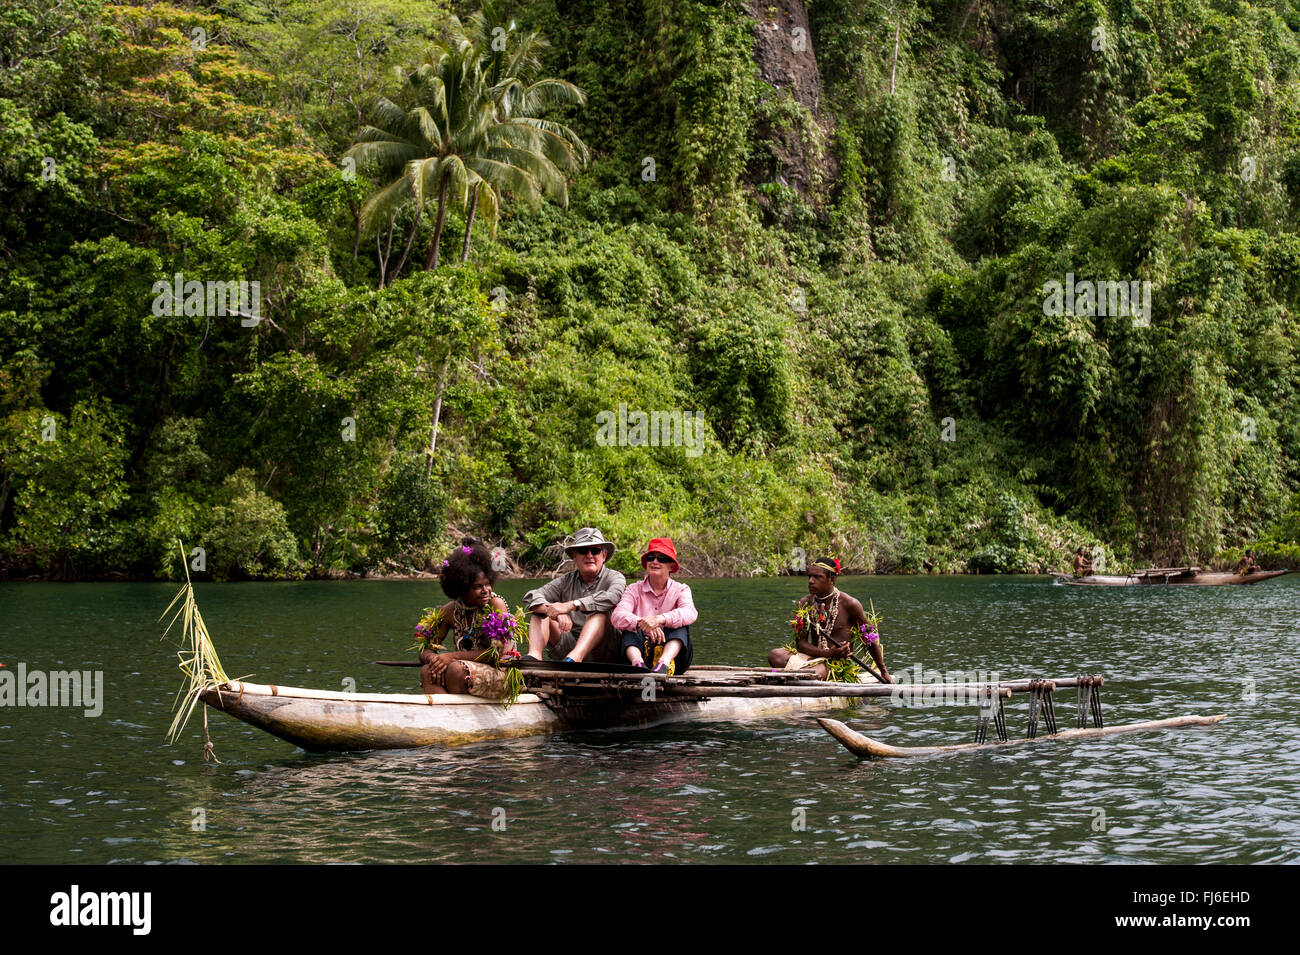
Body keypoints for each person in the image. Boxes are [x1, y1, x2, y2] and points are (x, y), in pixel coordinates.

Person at [417, 540, 520, 697]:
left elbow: (496, 654)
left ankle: (454, 713)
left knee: (455, 669)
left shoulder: (495, 605)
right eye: (478, 587)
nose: (486, 590)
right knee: (427, 671)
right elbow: (426, 648)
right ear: (462, 588)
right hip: (461, 668)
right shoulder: (449, 611)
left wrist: (451, 657)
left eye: (488, 584)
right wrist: (434, 659)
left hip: (501, 674)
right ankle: (447, 715)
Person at [767, 557, 893, 683]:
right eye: (809, 576)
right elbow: (800, 644)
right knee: (775, 655)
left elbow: (869, 640)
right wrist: (827, 653)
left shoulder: (850, 604)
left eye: (817, 577)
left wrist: (884, 672)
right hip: (813, 657)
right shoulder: (805, 603)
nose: (811, 581)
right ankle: (799, 676)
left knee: (814, 673)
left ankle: (796, 676)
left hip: (836, 664)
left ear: (832, 579)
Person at [523, 527, 627, 663]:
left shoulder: (615, 577)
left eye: (595, 551)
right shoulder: (565, 581)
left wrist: (570, 606)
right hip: (568, 645)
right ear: (574, 556)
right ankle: (534, 656)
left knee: (600, 614)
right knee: (539, 610)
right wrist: (554, 611)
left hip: (605, 650)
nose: (589, 555)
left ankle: (575, 658)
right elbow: (532, 596)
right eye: (583, 551)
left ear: (604, 555)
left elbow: (612, 596)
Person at [610, 538, 697, 674]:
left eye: (662, 559)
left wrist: (660, 619)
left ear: (671, 567)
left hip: (674, 658)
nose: (655, 562)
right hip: (640, 650)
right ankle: (638, 664)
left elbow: (690, 613)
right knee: (629, 626)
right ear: (646, 563)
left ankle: (663, 664)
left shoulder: (681, 589)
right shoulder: (633, 589)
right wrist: (642, 623)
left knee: (680, 624)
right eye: (651, 558)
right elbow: (617, 616)